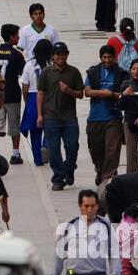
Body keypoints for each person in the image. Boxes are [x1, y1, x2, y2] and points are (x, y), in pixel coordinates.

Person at [37, 42, 84, 190]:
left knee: (72, 147)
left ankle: (69, 169)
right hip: (50, 117)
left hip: (69, 117)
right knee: (53, 150)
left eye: (63, 54)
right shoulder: (45, 72)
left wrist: (68, 90)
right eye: (58, 54)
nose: (60, 57)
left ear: (67, 55)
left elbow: (80, 94)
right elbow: (40, 93)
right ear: (53, 56)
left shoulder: (74, 72)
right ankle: (58, 178)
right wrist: (39, 114)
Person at [84, 45, 129, 185]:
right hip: (95, 117)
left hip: (113, 117)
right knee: (95, 149)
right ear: (100, 58)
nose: (107, 60)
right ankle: (100, 170)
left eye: (110, 57)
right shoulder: (93, 72)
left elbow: (126, 93)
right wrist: (100, 93)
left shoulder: (121, 74)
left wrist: (112, 95)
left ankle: (108, 178)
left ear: (114, 58)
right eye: (104, 57)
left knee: (112, 149)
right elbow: (87, 91)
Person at [0, 25, 26, 165]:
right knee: (14, 126)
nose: (18, 37)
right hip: (12, 94)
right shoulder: (17, 54)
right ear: (11, 37)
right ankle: (15, 154)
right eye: (17, 35)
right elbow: (23, 74)